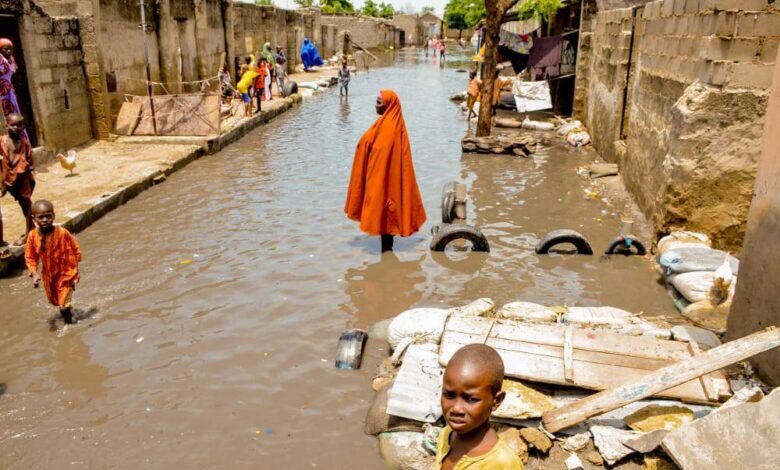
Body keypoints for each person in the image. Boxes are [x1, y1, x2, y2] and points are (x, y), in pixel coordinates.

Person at [345, 90, 426, 253]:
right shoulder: (385, 124)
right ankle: (387, 256)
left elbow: (383, 154)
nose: (375, 105)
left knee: (385, 214)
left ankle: (387, 257)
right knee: (384, 215)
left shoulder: (390, 128)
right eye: (376, 101)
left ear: (389, 105)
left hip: (385, 179)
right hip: (381, 178)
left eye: (379, 103)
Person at [436, 344, 523, 469]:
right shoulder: (446, 435)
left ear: (496, 401)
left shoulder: (503, 464)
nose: (456, 409)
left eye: (471, 399)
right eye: (449, 395)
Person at [25, 200, 83, 325]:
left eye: (48, 216)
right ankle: (69, 309)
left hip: (66, 273)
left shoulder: (62, 232)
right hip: (49, 275)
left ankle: (69, 326)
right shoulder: (32, 236)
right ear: (34, 219)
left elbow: (76, 250)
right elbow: (30, 257)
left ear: (54, 216)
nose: (45, 220)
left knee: (62, 305)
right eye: (41, 217)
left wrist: (75, 271)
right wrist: (33, 272)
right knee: (55, 301)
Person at [0, 113, 35, 246]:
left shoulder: (24, 144)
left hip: (22, 177)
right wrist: (2, 183)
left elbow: (30, 161)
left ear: (23, 127)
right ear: (6, 125)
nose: (16, 128)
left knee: (26, 205)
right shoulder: (2, 141)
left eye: (19, 125)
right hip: (6, 177)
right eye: (13, 125)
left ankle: (29, 233)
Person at [0, 38, 23, 123]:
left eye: (11, 49)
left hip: (9, 91)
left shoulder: (10, 59)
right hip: (2, 92)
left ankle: (17, 134)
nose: (9, 51)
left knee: (13, 113)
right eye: (5, 49)